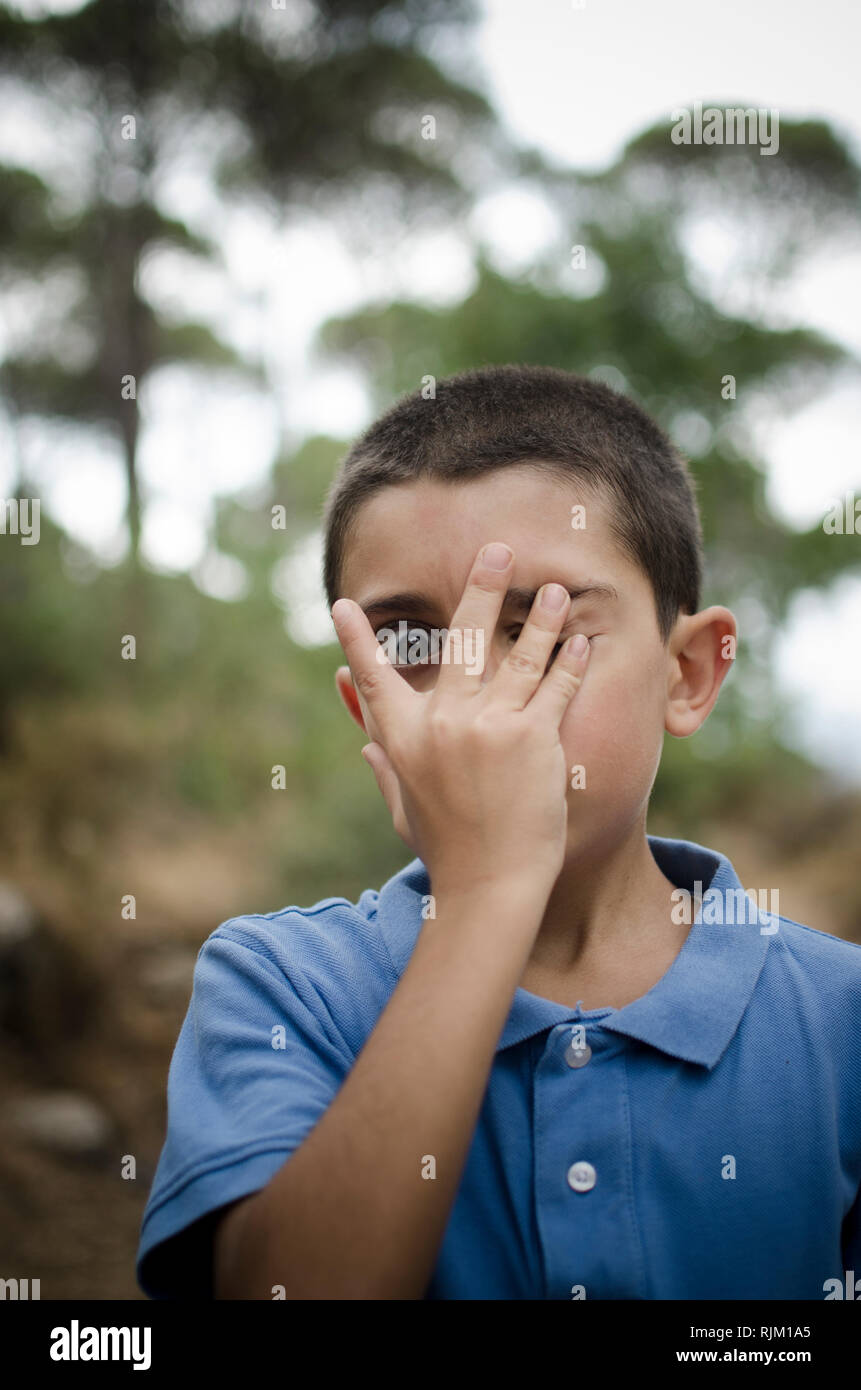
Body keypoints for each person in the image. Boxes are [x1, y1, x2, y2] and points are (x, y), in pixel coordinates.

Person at [136, 364, 861, 1300]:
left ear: (684, 676)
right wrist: (484, 893)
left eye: (540, 631)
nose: (472, 702)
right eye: (407, 641)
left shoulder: (837, 1020)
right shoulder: (284, 984)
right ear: (367, 706)